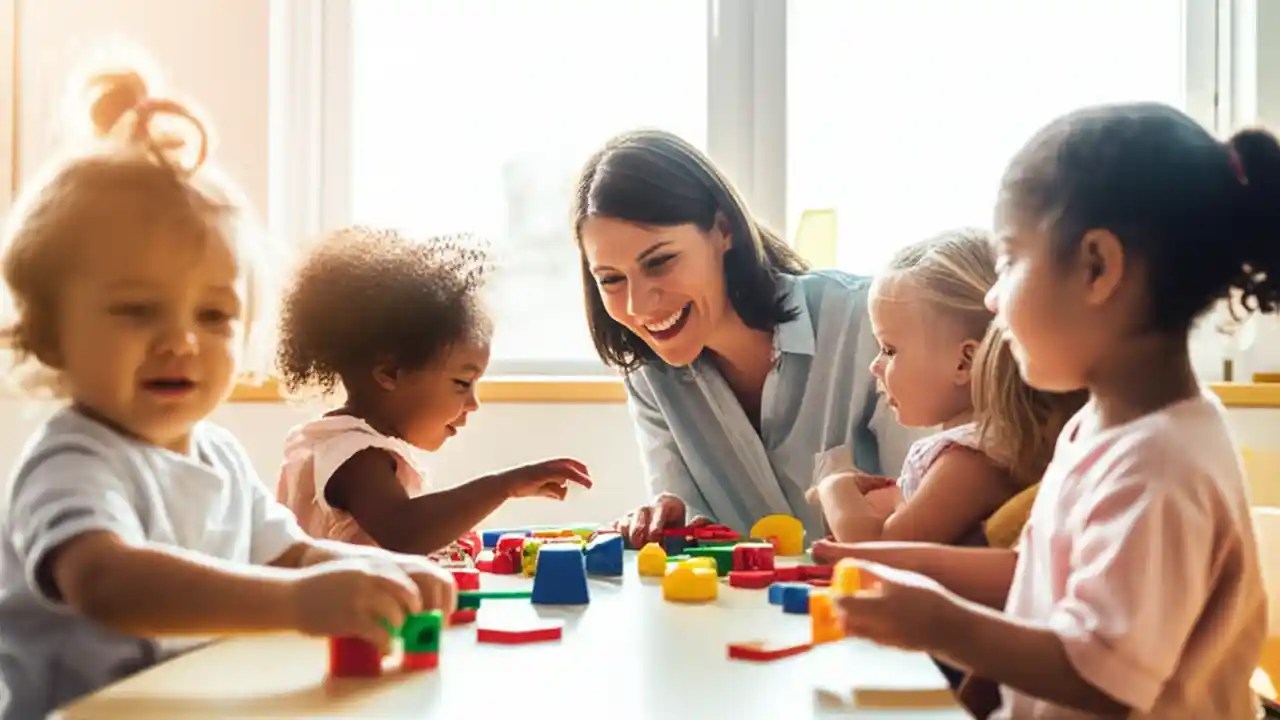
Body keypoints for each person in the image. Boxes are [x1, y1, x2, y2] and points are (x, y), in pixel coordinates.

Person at [0, 68, 456, 720]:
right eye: (136, 310)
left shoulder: (218, 456)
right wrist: (299, 604)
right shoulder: (74, 462)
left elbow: (293, 553)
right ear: (48, 336)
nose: (182, 342)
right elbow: (106, 581)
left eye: (213, 317)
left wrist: (380, 573)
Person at [829, 103, 1273, 718]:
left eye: (1009, 261)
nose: (991, 296)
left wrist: (940, 625)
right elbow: (1033, 586)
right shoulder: (1097, 429)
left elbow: (1103, 678)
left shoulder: (1161, 463)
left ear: (1096, 267)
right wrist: (878, 561)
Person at [573, 129, 921, 546]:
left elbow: (926, 515)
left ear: (722, 230)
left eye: (660, 262)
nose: (639, 305)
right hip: (746, 610)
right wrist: (669, 525)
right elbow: (691, 530)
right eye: (610, 279)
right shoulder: (650, 378)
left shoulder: (866, 324)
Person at [275, 227, 592, 561]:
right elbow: (406, 532)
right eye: (461, 383)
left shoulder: (331, 443)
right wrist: (503, 486)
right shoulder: (354, 454)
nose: (473, 404)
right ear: (390, 373)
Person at [808, 230, 1084, 547]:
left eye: (889, 349)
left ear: (964, 362)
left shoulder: (974, 459)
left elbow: (878, 549)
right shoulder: (974, 453)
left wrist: (835, 487)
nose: (875, 366)